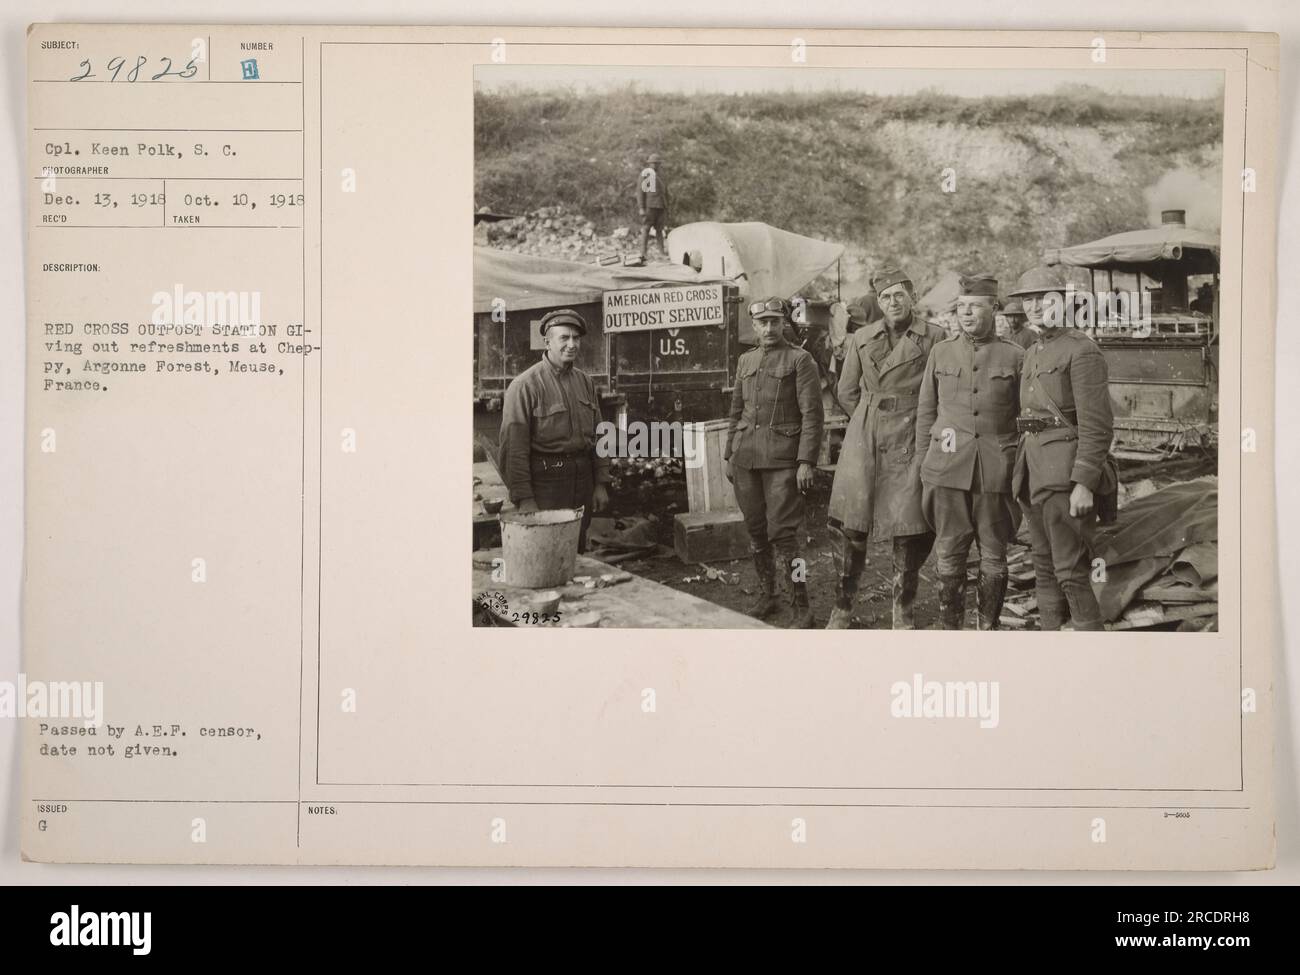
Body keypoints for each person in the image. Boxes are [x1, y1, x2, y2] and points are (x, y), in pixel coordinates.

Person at [826, 265, 949, 629]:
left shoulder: (935, 337)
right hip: (865, 438)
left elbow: (942, 390)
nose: (892, 302)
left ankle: (903, 611)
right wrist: (869, 416)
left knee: (908, 526)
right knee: (851, 523)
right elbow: (846, 390)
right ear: (877, 302)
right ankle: (842, 607)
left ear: (911, 297)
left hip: (912, 436)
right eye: (885, 297)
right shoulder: (862, 337)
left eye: (899, 295)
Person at [1009, 266, 1115, 631]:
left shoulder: (1081, 350)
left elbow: (1097, 425)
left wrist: (1085, 481)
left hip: (1065, 474)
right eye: (1029, 300)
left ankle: (1090, 655)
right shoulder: (1034, 349)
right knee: (1044, 566)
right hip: (1034, 469)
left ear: (1064, 302)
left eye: (1045, 298)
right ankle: (1050, 646)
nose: (1036, 306)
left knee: (1071, 570)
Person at [916, 274, 1024, 630]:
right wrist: (923, 465)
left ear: (994, 308)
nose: (966, 314)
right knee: (949, 553)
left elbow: (1025, 417)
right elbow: (926, 412)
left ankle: (986, 631)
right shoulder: (941, 351)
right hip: (946, 470)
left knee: (994, 554)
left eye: (974, 306)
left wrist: (1019, 470)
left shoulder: (1015, 355)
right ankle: (951, 632)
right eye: (961, 307)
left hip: (996, 470)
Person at [724, 297, 824, 628]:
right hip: (746, 459)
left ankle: (801, 606)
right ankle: (768, 595)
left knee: (784, 535)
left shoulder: (801, 359)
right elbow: (736, 410)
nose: (768, 328)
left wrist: (806, 461)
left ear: (783, 323)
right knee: (755, 531)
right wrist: (728, 454)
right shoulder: (746, 360)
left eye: (774, 322)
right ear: (754, 326)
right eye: (762, 322)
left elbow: (812, 414)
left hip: (783, 461)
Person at [497, 308, 610, 553]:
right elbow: (514, 450)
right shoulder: (524, 386)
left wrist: (600, 483)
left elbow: (600, 435)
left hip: (582, 481)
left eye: (576, 338)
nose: (572, 344)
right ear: (547, 342)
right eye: (564, 338)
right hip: (547, 484)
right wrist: (524, 498)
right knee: (545, 552)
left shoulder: (585, 382)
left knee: (576, 551)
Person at [636, 152, 669, 262]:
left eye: (657, 163)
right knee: (646, 228)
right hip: (650, 206)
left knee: (660, 230)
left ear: (660, 164)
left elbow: (666, 191)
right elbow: (640, 192)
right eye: (653, 163)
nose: (655, 165)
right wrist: (641, 207)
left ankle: (661, 252)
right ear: (649, 164)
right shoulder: (645, 174)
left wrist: (667, 205)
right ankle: (643, 253)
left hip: (661, 206)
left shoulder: (662, 175)